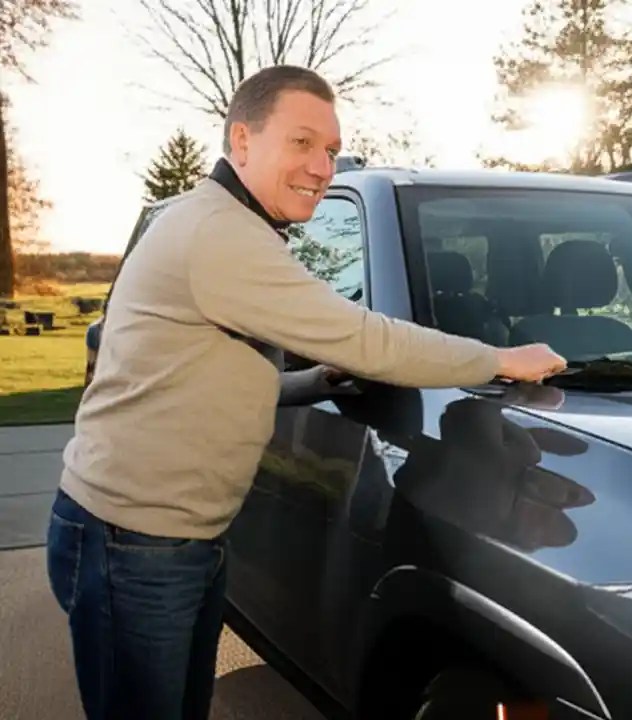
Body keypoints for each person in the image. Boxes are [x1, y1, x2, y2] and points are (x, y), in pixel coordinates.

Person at [44, 65, 566, 720]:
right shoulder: (219, 235)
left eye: (330, 148)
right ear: (241, 141)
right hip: (134, 543)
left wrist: (310, 383)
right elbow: (365, 338)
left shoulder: (227, 225)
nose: (323, 166)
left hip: (168, 539)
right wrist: (499, 358)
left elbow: (207, 376)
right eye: (301, 143)